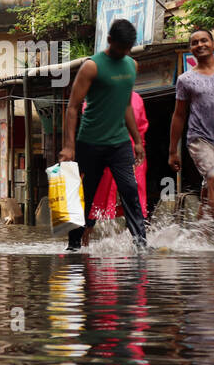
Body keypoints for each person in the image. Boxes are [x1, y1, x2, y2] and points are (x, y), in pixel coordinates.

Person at [59, 17, 147, 251]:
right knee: (86, 194)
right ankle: (74, 244)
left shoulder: (132, 65)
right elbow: (72, 107)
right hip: (90, 142)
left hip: (119, 143)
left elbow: (126, 105)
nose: (123, 53)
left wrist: (137, 140)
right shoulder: (92, 66)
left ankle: (141, 242)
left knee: (129, 190)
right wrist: (69, 146)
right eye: (119, 48)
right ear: (109, 41)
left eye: (127, 49)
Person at [170, 27, 214, 221]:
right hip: (200, 139)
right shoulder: (185, 79)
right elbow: (179, 115)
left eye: (204, 40)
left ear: (213, 44)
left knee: (209, 190)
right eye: (195, 42)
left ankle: (199, 237)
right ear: (191, 49)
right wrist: (173, 150)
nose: (200, 45)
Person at [90, 91, 148, 223]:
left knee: (133, 202)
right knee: (98, 201)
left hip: (129, 155)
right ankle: (85, 239)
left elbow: (141, 129)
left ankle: (139, 240)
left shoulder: (135, 98)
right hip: (108, 155)